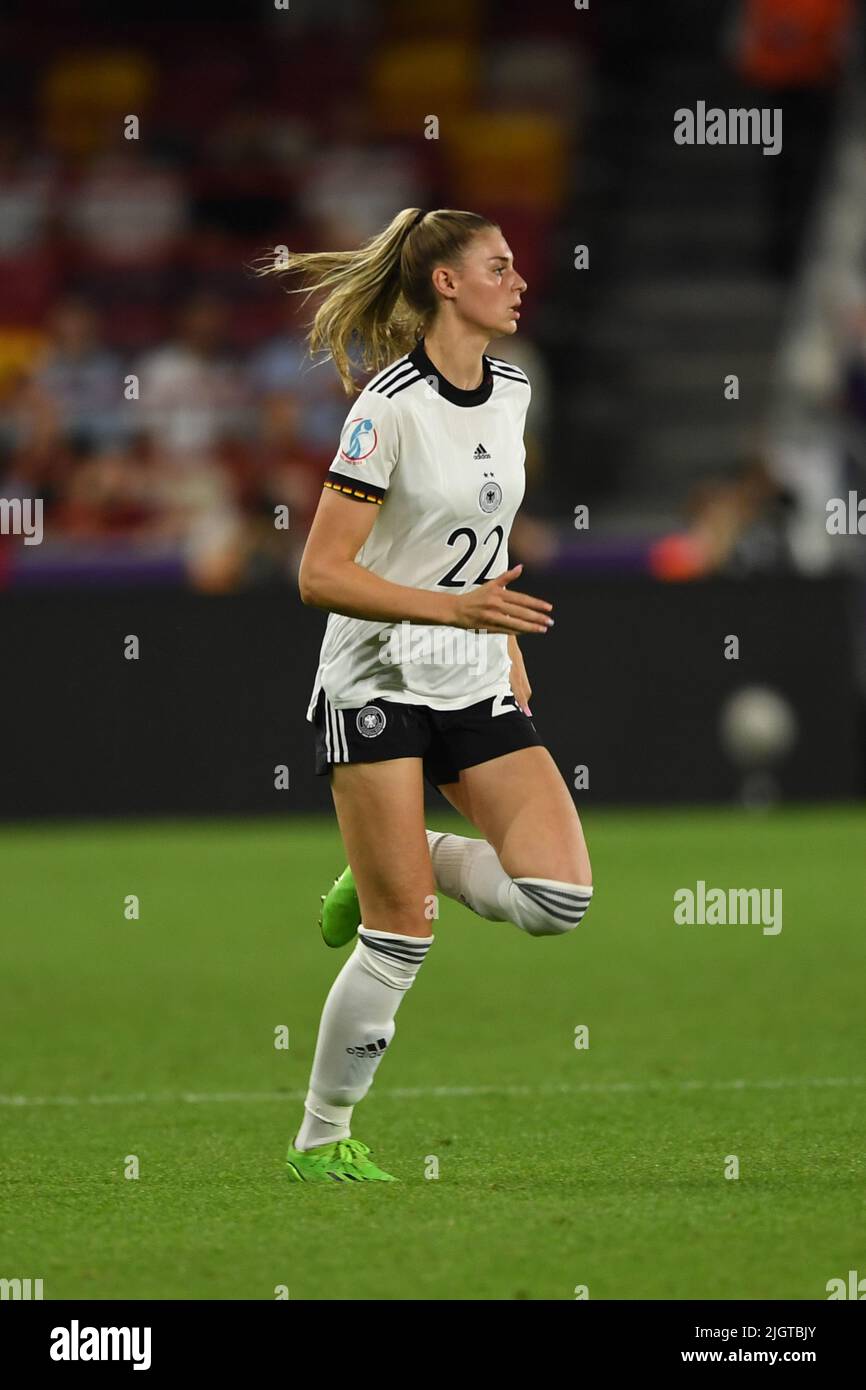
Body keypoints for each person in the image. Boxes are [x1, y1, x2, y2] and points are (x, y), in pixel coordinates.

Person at [262, 208, 594, 1182]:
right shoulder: (385, 408)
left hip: (472, 674)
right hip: (374, 676)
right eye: (497, 265)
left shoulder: (515, 389)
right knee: (398, 934)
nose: (517, 278)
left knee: (556, 900)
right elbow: (319, 573)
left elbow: (484, 540)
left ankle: (420, 855)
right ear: (445, 283)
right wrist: (452, 614)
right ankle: (322, 1140)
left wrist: (498, 643)